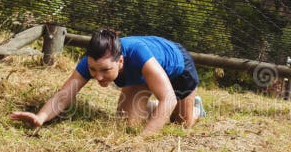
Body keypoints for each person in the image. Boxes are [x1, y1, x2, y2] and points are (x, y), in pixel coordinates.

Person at [11, 29, 204, 136]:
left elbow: (168, 98)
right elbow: (63, 96)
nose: (98, 77)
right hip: (141, 76)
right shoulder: (90, 62)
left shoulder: (139, 54)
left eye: (105, 70)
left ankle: (195, 108)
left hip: (177, 68)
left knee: (182, 123)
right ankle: (153, 106)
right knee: (127, 122)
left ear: (120, 61)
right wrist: (41, 117)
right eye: (94, 70)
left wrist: (145, 138)